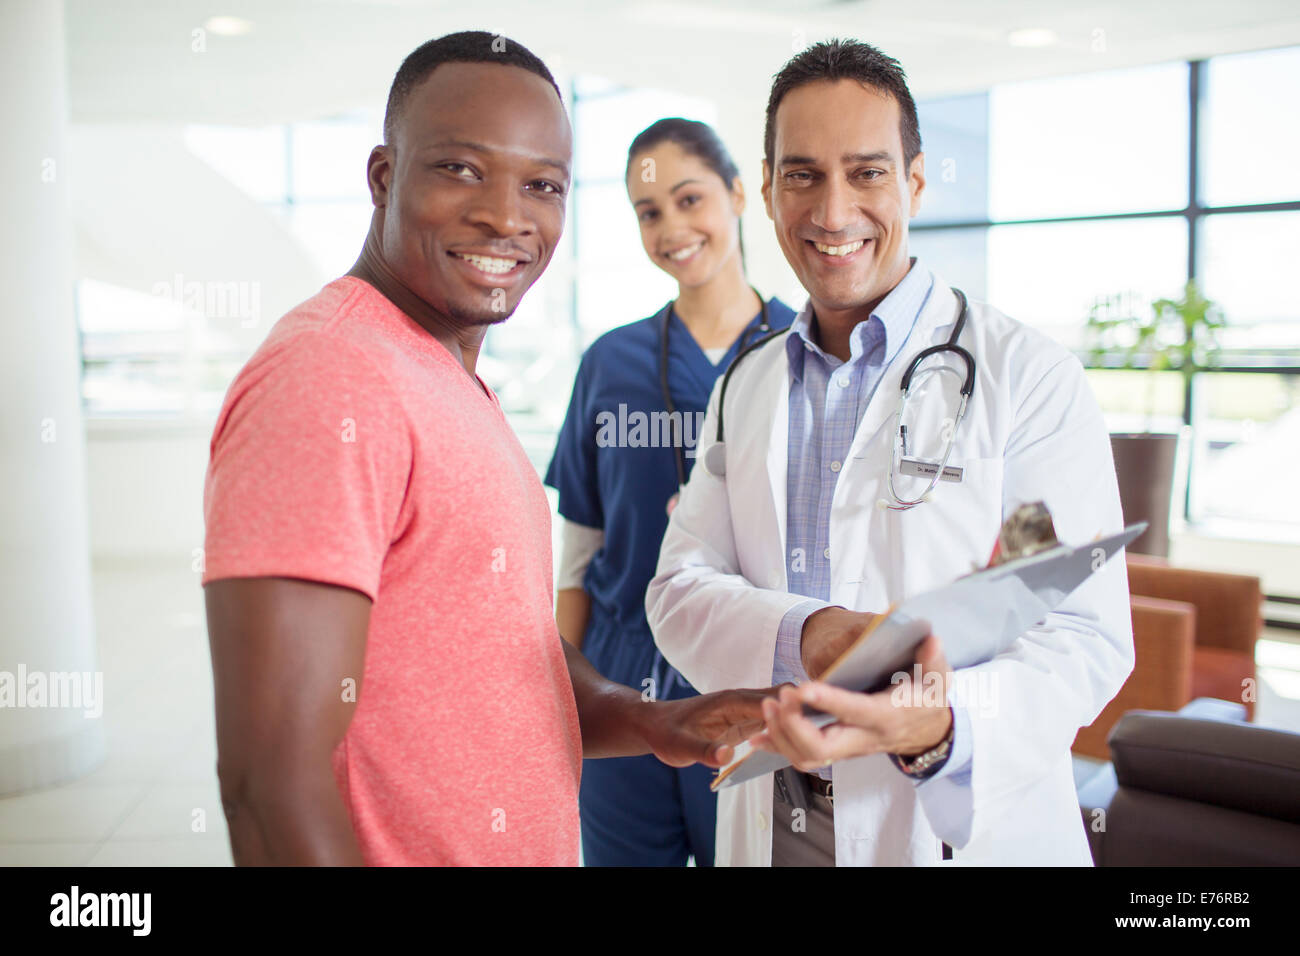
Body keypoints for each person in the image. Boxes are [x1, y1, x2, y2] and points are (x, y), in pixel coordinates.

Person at [201, 31, 770, 867]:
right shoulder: (330, 377)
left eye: (542, 184)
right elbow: (269, 783)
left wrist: (653, 720)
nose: (506, 216)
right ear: (383, 176)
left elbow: (499, 657)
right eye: (462, 169)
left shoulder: (446, 378)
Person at [645, 39, 1134, 866]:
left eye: (867, 173)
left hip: (949, 819)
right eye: (802, 175)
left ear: (912, 181)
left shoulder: (1026, 377)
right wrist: (817, 635)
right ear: (766, 191)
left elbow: (1081, 633)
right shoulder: (745, 386)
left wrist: (939, 720)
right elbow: (679, 590)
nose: (833, 213)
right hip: (777, 819)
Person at [546, 119, 795, 866]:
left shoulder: (802, 353)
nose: (673, 229)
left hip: (746, 682)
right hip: (621, 681)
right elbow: (579, 553)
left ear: (740, 195)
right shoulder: (611, 362)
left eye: (691, 200)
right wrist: (562, 698)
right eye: (649, 213)